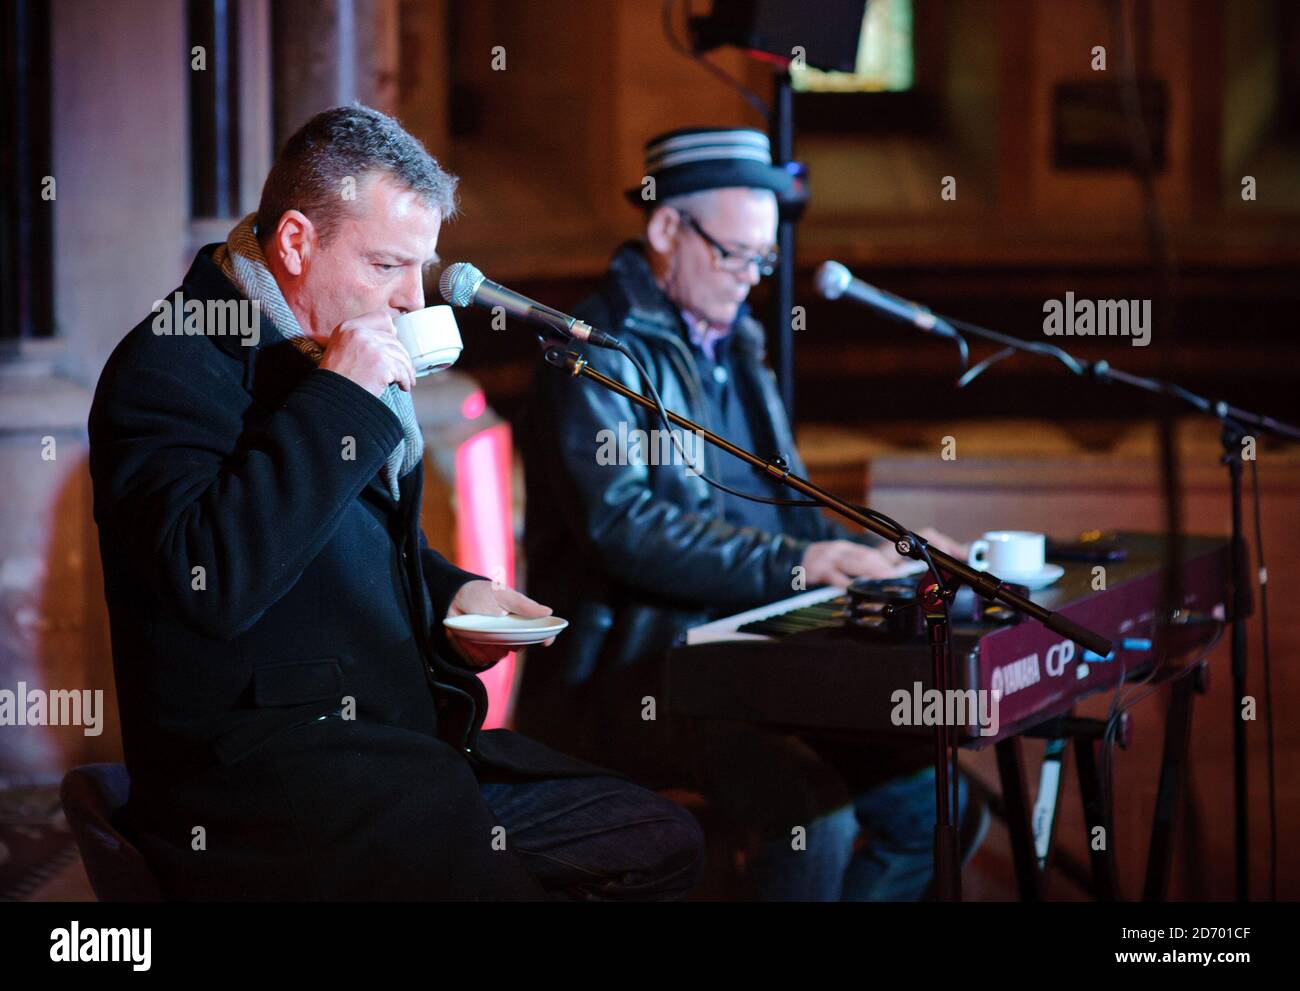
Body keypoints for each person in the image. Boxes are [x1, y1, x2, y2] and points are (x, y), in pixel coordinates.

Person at [87, 105, 703, 901]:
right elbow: (210, 576)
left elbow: (339, 545)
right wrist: (340, 397)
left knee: (657, 838)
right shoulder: (173, 361)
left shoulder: (317, 348)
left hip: (382, 754)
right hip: (261, 795)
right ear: (297, 243)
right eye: (387, 266)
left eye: (423, 266)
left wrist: (450, 597)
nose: (416, 298)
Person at [515, 126, 985, 900]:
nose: (751, 278)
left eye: (763, 260)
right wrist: (799, 565)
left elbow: (790, 508)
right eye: (735, 254)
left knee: (941, 803)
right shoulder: (593, 351)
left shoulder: (739, 344)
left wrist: (889, 554)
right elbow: (624, 525)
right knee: (811, 814)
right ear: (667, 227)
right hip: (634, 674)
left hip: (752, 659)